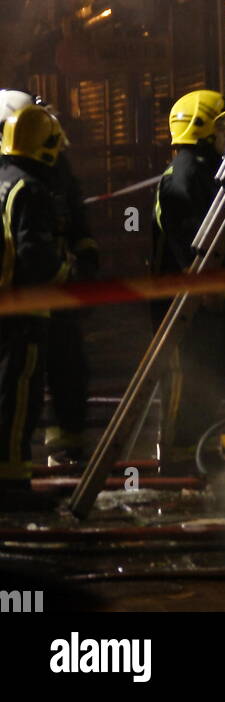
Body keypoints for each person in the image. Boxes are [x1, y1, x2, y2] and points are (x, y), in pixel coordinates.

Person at [0, 90, 98, 469]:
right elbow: (28, 249)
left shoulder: (50, 169)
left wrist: (85, 254)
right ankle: (12, 470)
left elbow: (73, 212)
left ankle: (66, 445)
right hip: (30, 292)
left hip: (49, 289)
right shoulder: (21, 180)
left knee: (66, 366)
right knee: (18, 382)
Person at [151, 89, 225, 470]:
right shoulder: (183, 176)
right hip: (181, 300)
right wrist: (201, 286)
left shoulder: (206, 170)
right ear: (201, 129)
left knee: (207, 374)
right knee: (182, 378)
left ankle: (202, 449)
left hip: (204, 298)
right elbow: (183, 238)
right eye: (223, 125)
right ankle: (176, 457)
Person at [0, 104, 68, 509]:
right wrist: (69, 273)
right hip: (23, 314)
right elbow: (36, 258)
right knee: (18, 397)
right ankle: (11, 486)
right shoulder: (31, 190)